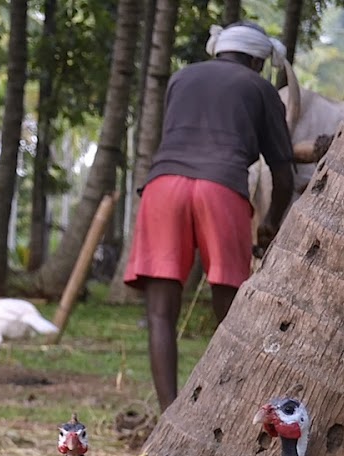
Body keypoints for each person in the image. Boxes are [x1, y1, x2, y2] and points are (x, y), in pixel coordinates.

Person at [123, 21, 295, 411]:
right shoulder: (260, 88)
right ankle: (234, 403)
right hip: (221, 188)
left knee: (160, 313)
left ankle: (169, 412)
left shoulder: (181, 78)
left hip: (163, 187)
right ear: (256, 60)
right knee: (231, 306)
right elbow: (282, 172)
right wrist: (271, 222)